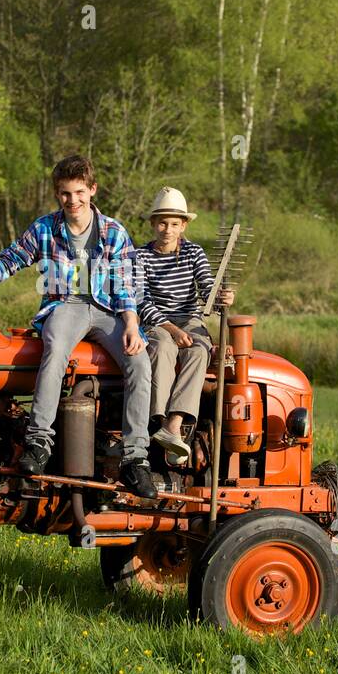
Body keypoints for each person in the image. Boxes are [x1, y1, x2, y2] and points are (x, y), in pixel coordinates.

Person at [0, 154, 157, 499]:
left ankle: (135, 457)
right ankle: (39, 442)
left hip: (106, 309)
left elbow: (125, 284)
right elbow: (13, 256)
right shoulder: (45, 228)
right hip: (65, 305)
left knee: (139, 361)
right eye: (65, 194)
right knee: (55, 349)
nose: (73, 201)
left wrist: (130, 323)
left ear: (92, 190)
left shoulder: (114, 232)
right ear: (57, 194)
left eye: (79, 192)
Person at [135, 187, 233, 466]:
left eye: (175, 224)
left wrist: (221, 299)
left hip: (189, 319)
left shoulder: (193, 252)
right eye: (163, 223)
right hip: (157, 321)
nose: (168, 229)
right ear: (153, 224)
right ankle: (157, 421)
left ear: (184, 226)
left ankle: (174, 426)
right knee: (162, 347)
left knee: (200, 350)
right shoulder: (141, 256)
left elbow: (206, 288)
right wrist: (172, 330)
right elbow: (142, 302)